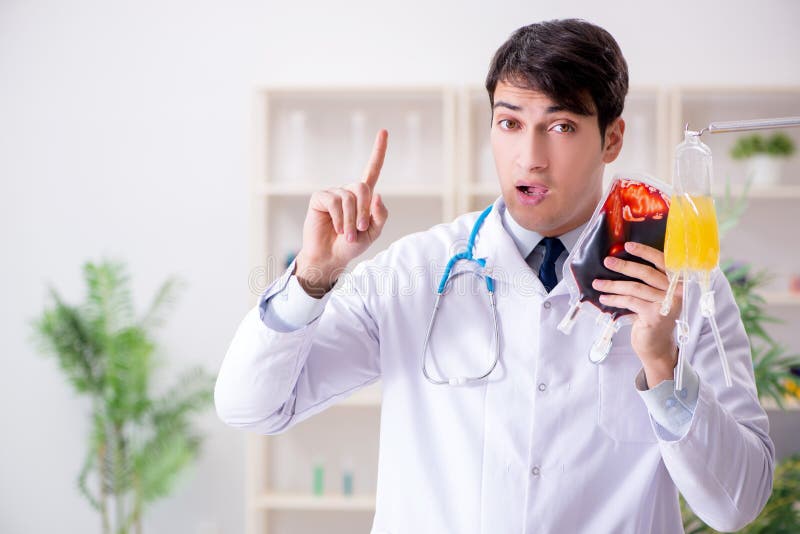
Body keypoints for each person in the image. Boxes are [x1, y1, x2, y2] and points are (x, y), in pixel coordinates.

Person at [215, 18, 774, 533]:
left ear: (611, 139)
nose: (529, 157)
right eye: (509, 122)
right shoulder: (415, 272)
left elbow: (737, 505)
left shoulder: (680, 286)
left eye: (559, 125)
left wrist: (662, 364)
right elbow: (252, 408)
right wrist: (312, 277)